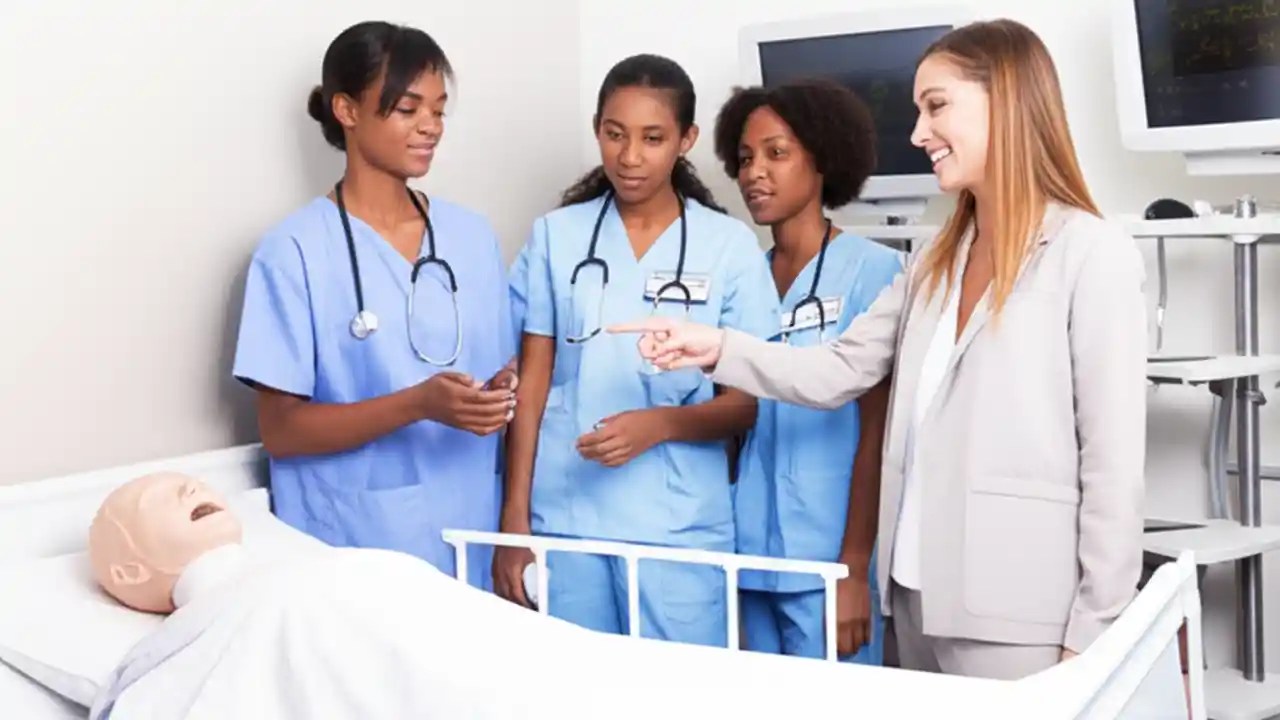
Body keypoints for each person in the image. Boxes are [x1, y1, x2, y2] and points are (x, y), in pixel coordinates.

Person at [612, 19, 1147, 680]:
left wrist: (1093, 635)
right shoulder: (934, 262)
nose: (919, 132)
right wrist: (714, 346)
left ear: (1005, 99)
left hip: (1023, 612)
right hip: (920, 601)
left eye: (936, 106)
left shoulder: (1090, 254)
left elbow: (1113, 470)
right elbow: (835, 370)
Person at [493, 54, 779, 648]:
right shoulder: (557, 236)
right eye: (615, 134)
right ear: (597, 127)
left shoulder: (728, 247)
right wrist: (514, 522)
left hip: (680, 529)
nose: (630, 157)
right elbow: (535, 381)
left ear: (686, 140)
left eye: (653, 139)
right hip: (567, 520)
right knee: (572, 697)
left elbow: (747, 405)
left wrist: (659, 425)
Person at [231, 21, 516, 590]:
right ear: (347, 109)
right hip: (350, 551)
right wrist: (417, 403)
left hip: (470, 535)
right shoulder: (293, 252)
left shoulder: (471, 236)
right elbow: (282, 430)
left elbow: (502, 371)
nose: (430, 127)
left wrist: (503, 389)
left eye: (438, 110)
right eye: (408, 109)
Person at [712, 79, 902, 664]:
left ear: (822, 159)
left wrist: (852, 568)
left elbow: (876, 435)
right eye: (745, 158)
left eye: (776, 153)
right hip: (747, 557)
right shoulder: (740, 273)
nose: (753, 173)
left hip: (827, 560)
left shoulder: (876, 272)